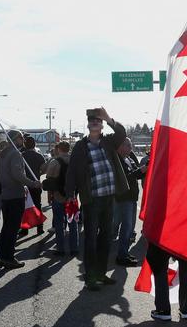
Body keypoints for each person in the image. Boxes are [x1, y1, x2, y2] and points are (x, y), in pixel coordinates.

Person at [65, 107, 129, 291]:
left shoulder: (108, 142)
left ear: (101, 125)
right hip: (91, 200)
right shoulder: (80, 146)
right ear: (88, 124)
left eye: (97, 120)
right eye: (92, 120)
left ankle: (101, 273)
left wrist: (108, 117)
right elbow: (72, 172)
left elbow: (121, 133)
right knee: (91, 239)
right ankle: (90, 277)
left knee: (106, 237)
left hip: (109, 197)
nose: (95, 122)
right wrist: (71, 194)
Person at [0, 133, 38, 269]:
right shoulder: (14, 154)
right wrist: (32, 183)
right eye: (21, 138)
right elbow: (17, 174)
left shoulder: (3, 154)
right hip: (15, 195)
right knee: (12, 228)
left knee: (7, 227)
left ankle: (3, 255)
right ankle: (8, 257)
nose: (23, 140)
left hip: (6, 195)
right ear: (15, 139)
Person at [43, 141, 79, 257]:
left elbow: (49, 182)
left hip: (58, 197)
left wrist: (50, 197)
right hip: (71, 197)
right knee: (73, 223)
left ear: (59, 149)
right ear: (69, 149)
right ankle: (74, 248)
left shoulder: (54, 162)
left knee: (59, 223)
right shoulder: (74, 161)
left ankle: (60, 249)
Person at [145, 241, 187, 321]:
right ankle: (186, 310)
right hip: (186, 234)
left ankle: (163, 310)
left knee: (160, 265)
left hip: (165, 233)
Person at [112, 139, 144, 267]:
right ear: (120, 146)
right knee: (126, 228)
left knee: (128, 228)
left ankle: (124, 253)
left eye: (131, 145)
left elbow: (136, 175)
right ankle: (122, 256)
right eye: (128, 145)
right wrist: (140, 170)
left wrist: (144, 170)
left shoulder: (129, 159)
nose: (131, 148)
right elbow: (125, 177)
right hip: (124, 198)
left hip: (130, 198)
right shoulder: (117, 160)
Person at [22, 135, 47, 237]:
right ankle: (40, 228)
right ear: (35, 144)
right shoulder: (39, 156)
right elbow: (44, 168)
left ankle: (24, 229)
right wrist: (39, 174)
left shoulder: (21, 155)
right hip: (36, 183)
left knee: (25, 207)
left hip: (25, 184)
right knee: (37, 205)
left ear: (25, 144)